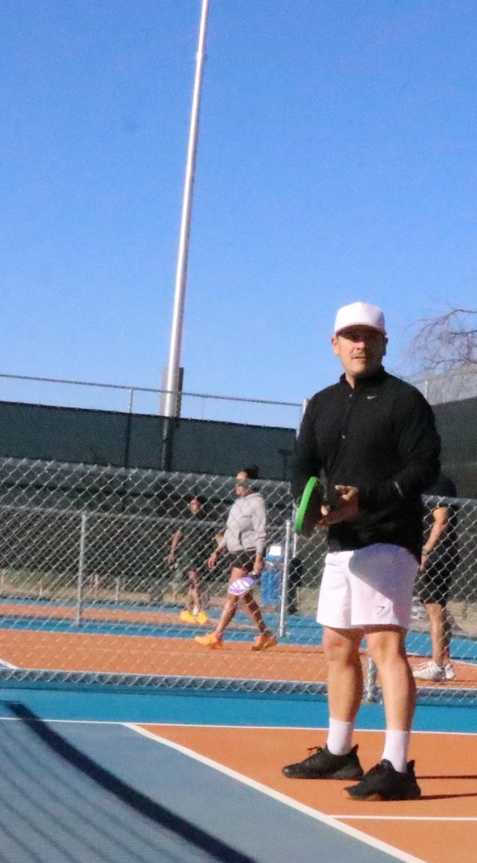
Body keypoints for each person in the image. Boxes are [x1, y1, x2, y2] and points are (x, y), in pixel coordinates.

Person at [281, 302, 441, 801]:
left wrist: (364, 501)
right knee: (337, 645)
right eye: (350, 336)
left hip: (389, 538)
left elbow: (424, 467)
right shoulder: (321, 404)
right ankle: (339, 751)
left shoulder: (405, 400)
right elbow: (303, 467)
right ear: (335, 344)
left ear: (384, 344)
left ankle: (396, 765)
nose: (360, 344)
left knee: (385, 647)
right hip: (340, 544)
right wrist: (312, 506)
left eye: (369, 336)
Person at [194, 469, 276, 650]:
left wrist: (258, 558)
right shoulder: (237, 504)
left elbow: (261, 533)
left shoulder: (257, 502)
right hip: (235, 552)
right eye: (236, 481)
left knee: (233, 593)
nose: (237, 485)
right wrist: (217, 550)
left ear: (251, 484)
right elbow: (230, 531)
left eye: (241, 482)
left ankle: (217, 635)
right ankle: (265, 634)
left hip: (249, 552)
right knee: (245, 596)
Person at [413, 471, 461, 681]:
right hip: (437, 553)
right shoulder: (421, 482)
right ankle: (445, 662)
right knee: (436, 606)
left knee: (434, 607)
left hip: (437, 555)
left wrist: (426, 551)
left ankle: (437, 666)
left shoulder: (436, 482)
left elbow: (441, 520)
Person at [168, 494, 213, 624]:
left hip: (200, 554)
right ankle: (199, 611)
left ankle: (186, 611)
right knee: (194, 580)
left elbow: (215, 536)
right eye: (193, 504)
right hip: (187, 553)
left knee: (194, 584)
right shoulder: (185, 519)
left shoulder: (206, 519)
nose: (195, 507)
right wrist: (172, 552)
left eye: (197, 504)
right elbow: (177, 536)